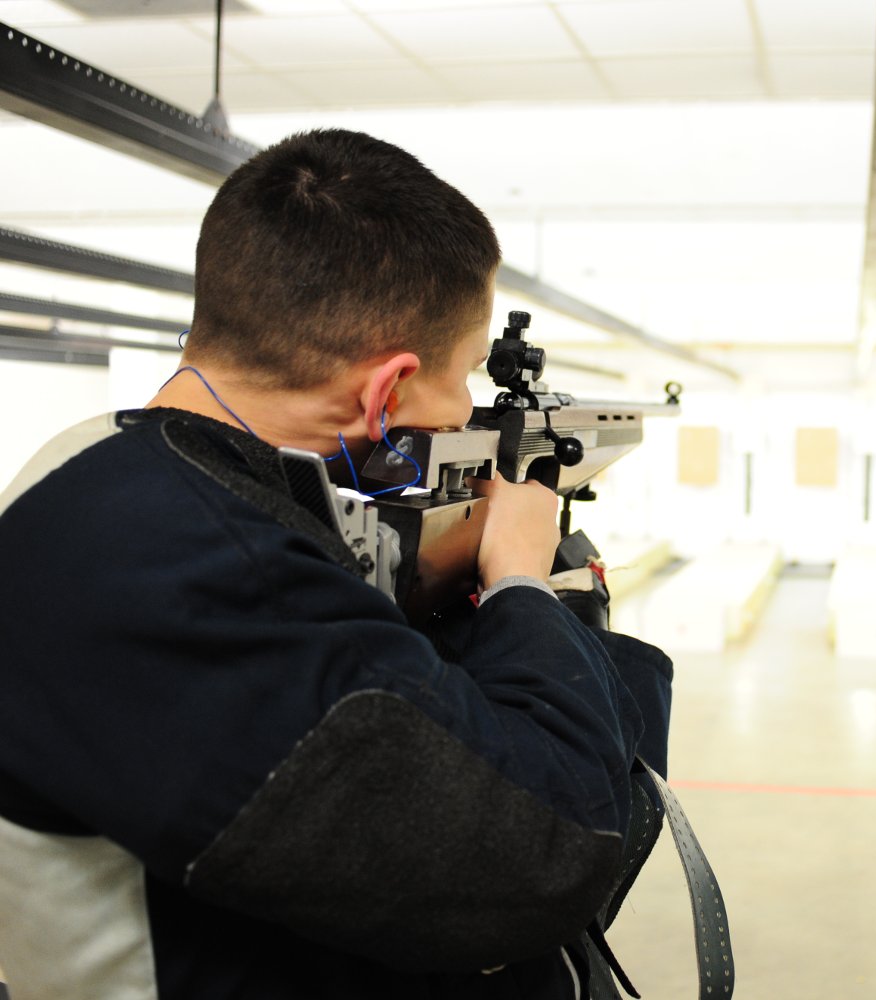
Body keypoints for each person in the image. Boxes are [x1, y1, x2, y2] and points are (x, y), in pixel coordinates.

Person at [0, 129, 672, 999]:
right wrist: (521, 584)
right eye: (466, 371)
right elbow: (541, 857)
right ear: (386, 390)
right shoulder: (196, 562)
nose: (468, 404)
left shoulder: (101, 466)